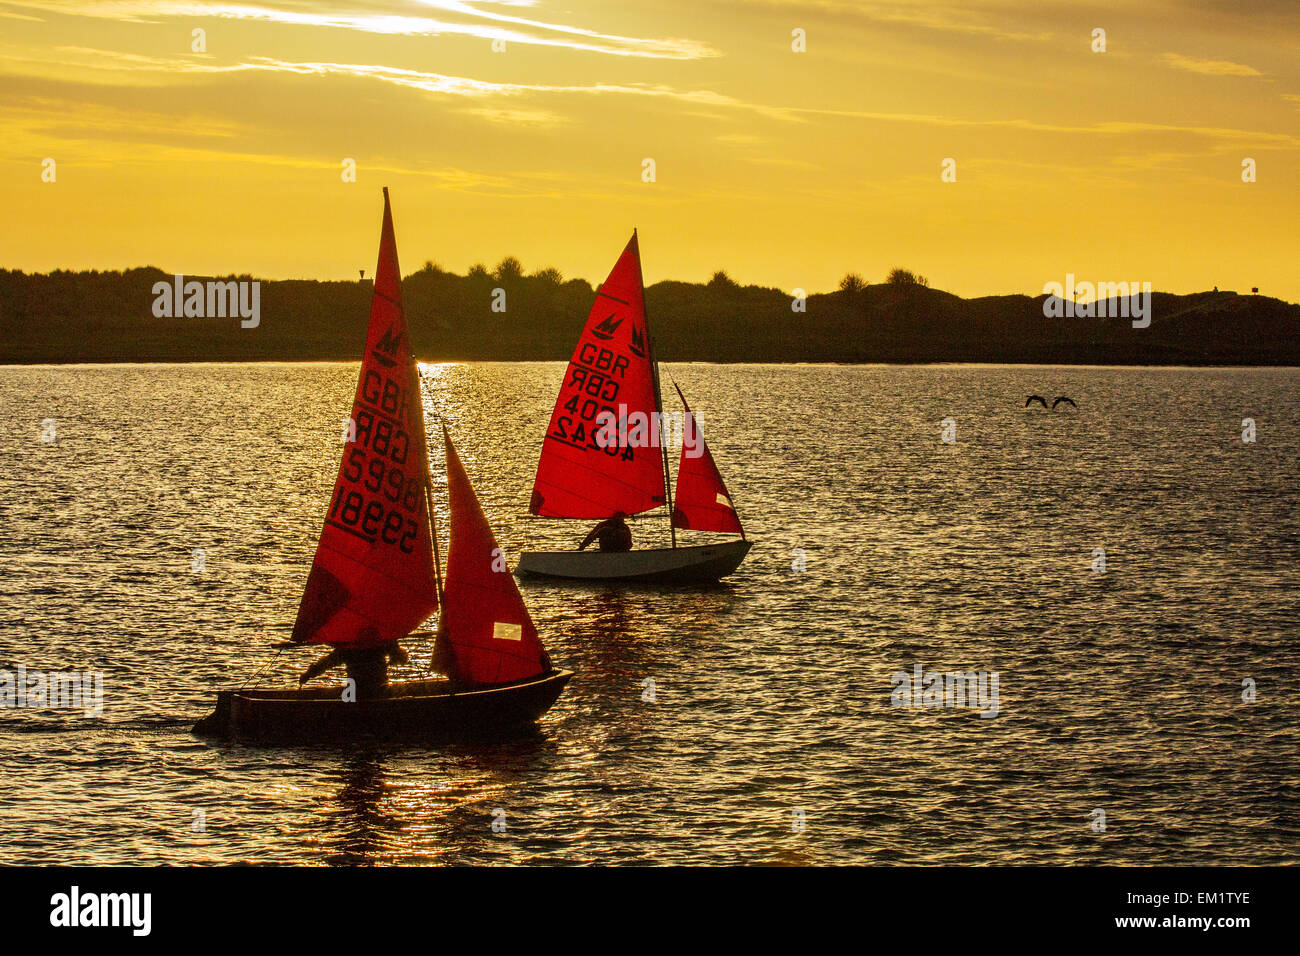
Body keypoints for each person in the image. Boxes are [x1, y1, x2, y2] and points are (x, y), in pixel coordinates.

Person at [299, 640, 408, 698]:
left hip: (364, 691)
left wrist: (308, 674)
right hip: (374, 690)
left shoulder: (348, 646)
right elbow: (402, 658)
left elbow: (327, 662)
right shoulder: (382, 641)